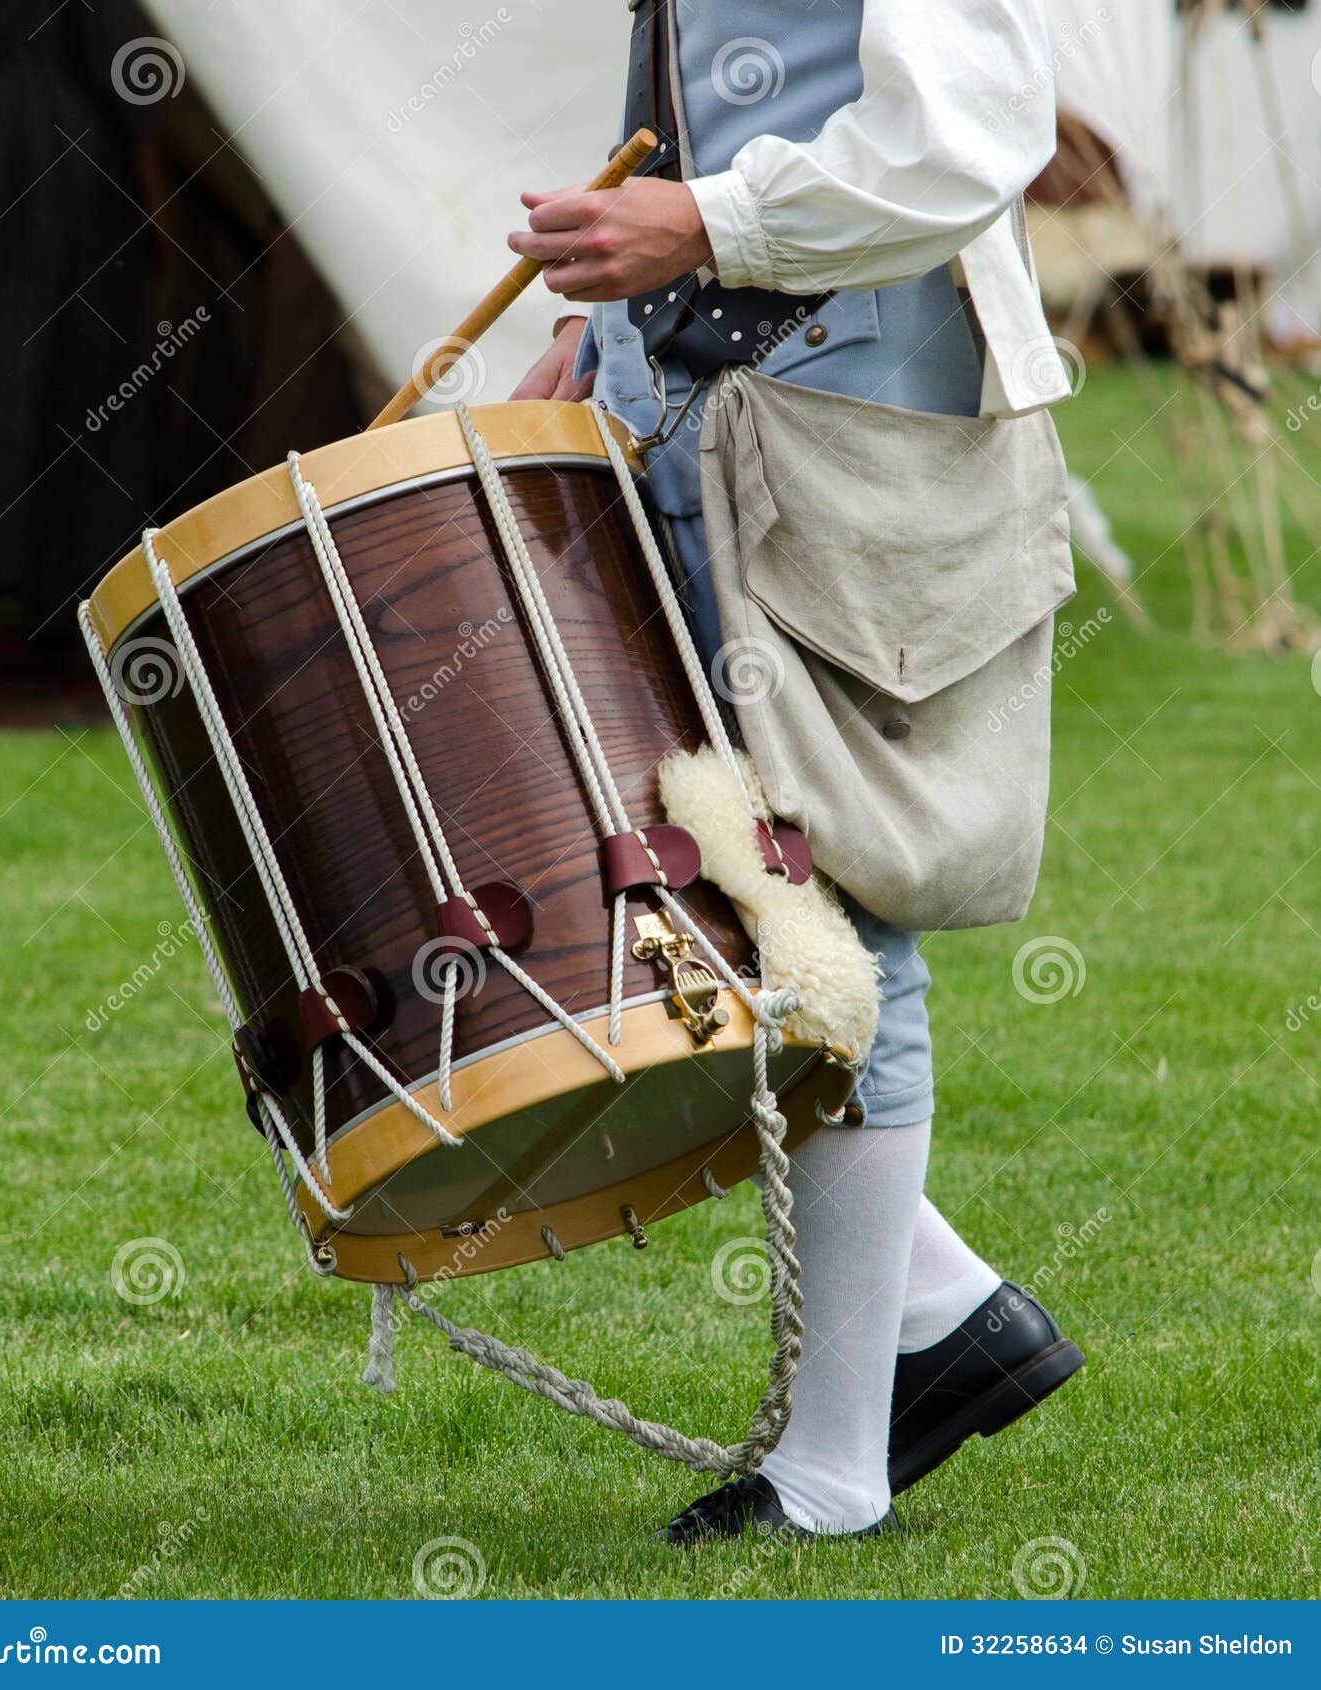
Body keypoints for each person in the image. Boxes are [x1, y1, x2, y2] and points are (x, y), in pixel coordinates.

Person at [509, 0, 1084, 1544]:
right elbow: (715, 95)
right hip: (708, 400)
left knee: (825, 897)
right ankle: (951, 1316)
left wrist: (703, 222)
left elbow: (970, 129)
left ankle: (834, 1471)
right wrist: (615, 318)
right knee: (725, 883)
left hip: (847, 414)